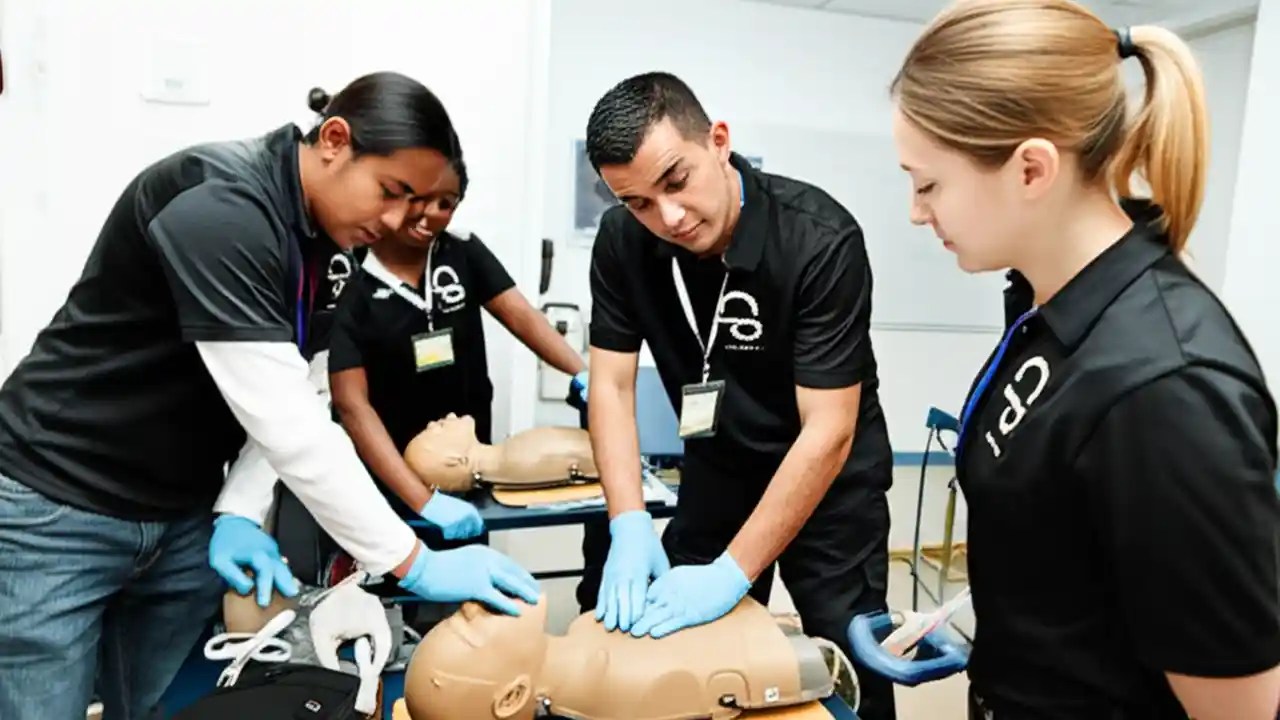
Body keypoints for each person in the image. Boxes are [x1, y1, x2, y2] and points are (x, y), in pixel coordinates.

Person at [0, 71, 539, 720]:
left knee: (137, 705)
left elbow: (302, 385)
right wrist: (412, 562)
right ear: (335, 141)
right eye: (391, 192)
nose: (397, 220)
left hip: (178, 509)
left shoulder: (336, 246)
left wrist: (234, 509)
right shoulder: (217, 205)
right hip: (58, 501)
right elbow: (285, 419)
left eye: (419, 201)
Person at [890, 2, 1280, 718]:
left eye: (928, 185)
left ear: (1032, 169)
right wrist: (1010, 647)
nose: (918, 212)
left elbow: (1241, 710)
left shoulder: (1166, 386)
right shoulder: (1052, 308)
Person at [581, 71, 897, 720]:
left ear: (720, 141)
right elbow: (610, 384)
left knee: (849, 669)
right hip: (718, 470)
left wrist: (732, 573)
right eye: (636, 201)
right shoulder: (623, 241)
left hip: (829, 487)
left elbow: (828, 430)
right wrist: (629, 519)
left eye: (676, 180)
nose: (667, 217)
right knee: (686, 660)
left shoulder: (818, 240)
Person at [328, 150, 586, 533]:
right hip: (383, 457)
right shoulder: (348, 272)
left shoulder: (461, 251)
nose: (430, 213)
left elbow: (521, 315)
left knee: (467, 560)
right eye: (419, 198)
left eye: (446, 204)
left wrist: (581, 373)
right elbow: (352, 405)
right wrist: (421, 499)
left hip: (462, 451)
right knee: (392, 568)